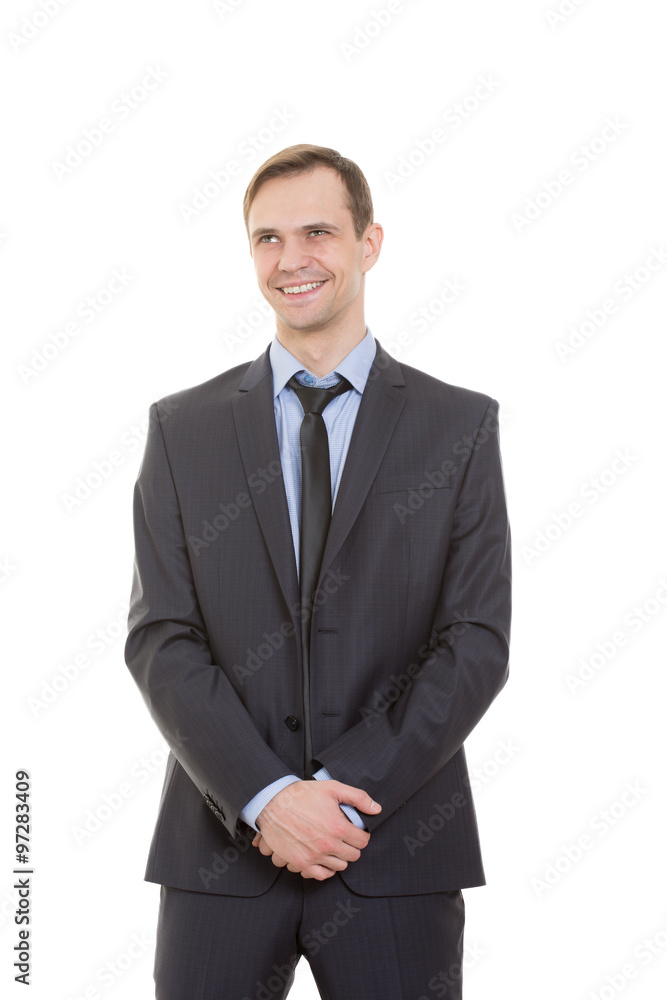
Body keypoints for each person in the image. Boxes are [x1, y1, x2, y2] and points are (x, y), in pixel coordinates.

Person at [124, 143, 511, 999]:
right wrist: (266, 795)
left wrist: (337, 794)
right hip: (219, 856)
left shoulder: (458, 428)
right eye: (266, 239)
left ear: (369, 242)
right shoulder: (180, 429)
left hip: (394, 849)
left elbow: (474, 642)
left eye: (316, 233)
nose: (290, 260)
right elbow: (161, 639)